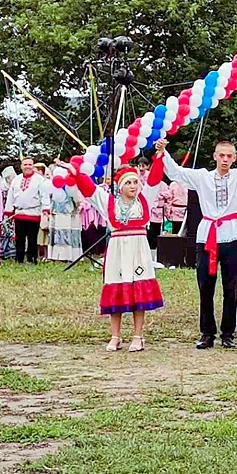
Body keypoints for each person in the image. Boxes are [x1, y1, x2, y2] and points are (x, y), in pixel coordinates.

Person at [154, 134, 237, 350]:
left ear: (234, 158)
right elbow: (176, 172)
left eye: (229, 156)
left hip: (231, 235)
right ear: (215, 156)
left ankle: (228, 333)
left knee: (231, 287)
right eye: (221, 155)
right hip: (207, 236)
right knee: (205, 287)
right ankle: (206, 332)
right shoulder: (202, 177)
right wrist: (162, 153)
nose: (225, 159)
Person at [60, 149, 167, 352]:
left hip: (138, 250)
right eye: (128, 183)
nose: (133, 186)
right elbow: (89, 189)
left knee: (139, 293)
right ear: (120, 187)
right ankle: (115, 336)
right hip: (118, 249)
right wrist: (75, 172)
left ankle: (138, 336)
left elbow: (155, 178)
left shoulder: (145, 199)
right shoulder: (109, 201)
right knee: (116, 290)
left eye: (135, 182)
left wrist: (159, 156)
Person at [4, 157, 50, 264]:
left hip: (34, 213)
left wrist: (45, 210)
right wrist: (9, 211)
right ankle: (19, 259)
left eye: (30, 164)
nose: (28, 167)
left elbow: (44, 196)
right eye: (25, 164)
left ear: (33, 166)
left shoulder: (40, 180)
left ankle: (31, 258)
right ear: (21, 166)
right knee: (19, 238)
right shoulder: (16, 180)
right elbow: (11, 196)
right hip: (19, 213)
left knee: (32, 238)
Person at [47, 174, 83, 262]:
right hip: (67, 214)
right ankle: (69, 255)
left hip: (63, 214)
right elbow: (77, 200)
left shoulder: (55, 187)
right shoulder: (71, 186)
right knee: (66, 234)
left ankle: (59, 255)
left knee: (61, 234)